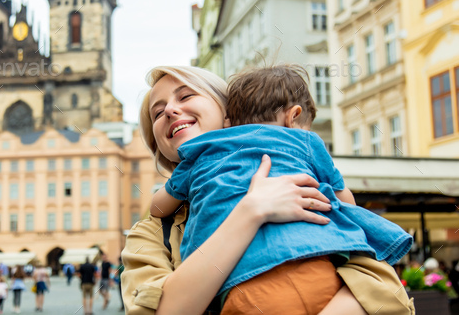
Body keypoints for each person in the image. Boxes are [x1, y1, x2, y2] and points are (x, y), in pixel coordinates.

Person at [122, 65, 415, 315]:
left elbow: (384, 288)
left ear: (227, 113)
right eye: (158, 113)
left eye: (186, 96)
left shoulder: (305, 184)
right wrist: (251, 211)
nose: (171, 110)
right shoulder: (150, 234)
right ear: (157, 142)